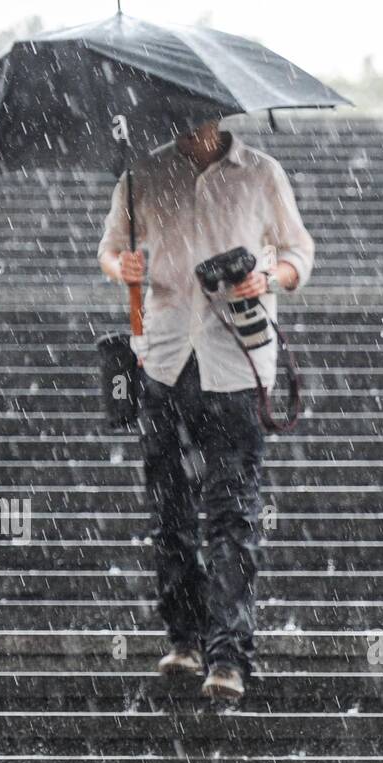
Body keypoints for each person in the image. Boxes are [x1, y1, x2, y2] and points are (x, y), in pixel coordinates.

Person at [98, 119, 314, 701]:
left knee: (232, 508)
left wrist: (267, 276)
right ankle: (184, 637)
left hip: (236, 360)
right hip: (162, 357)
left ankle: (229, 652)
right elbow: (110, 250)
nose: (192, 125)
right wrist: (125, 269)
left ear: (221, 112)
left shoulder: (262, 173)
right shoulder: (140, 176)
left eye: (203, 113)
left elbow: (300, 251)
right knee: (168, 506)